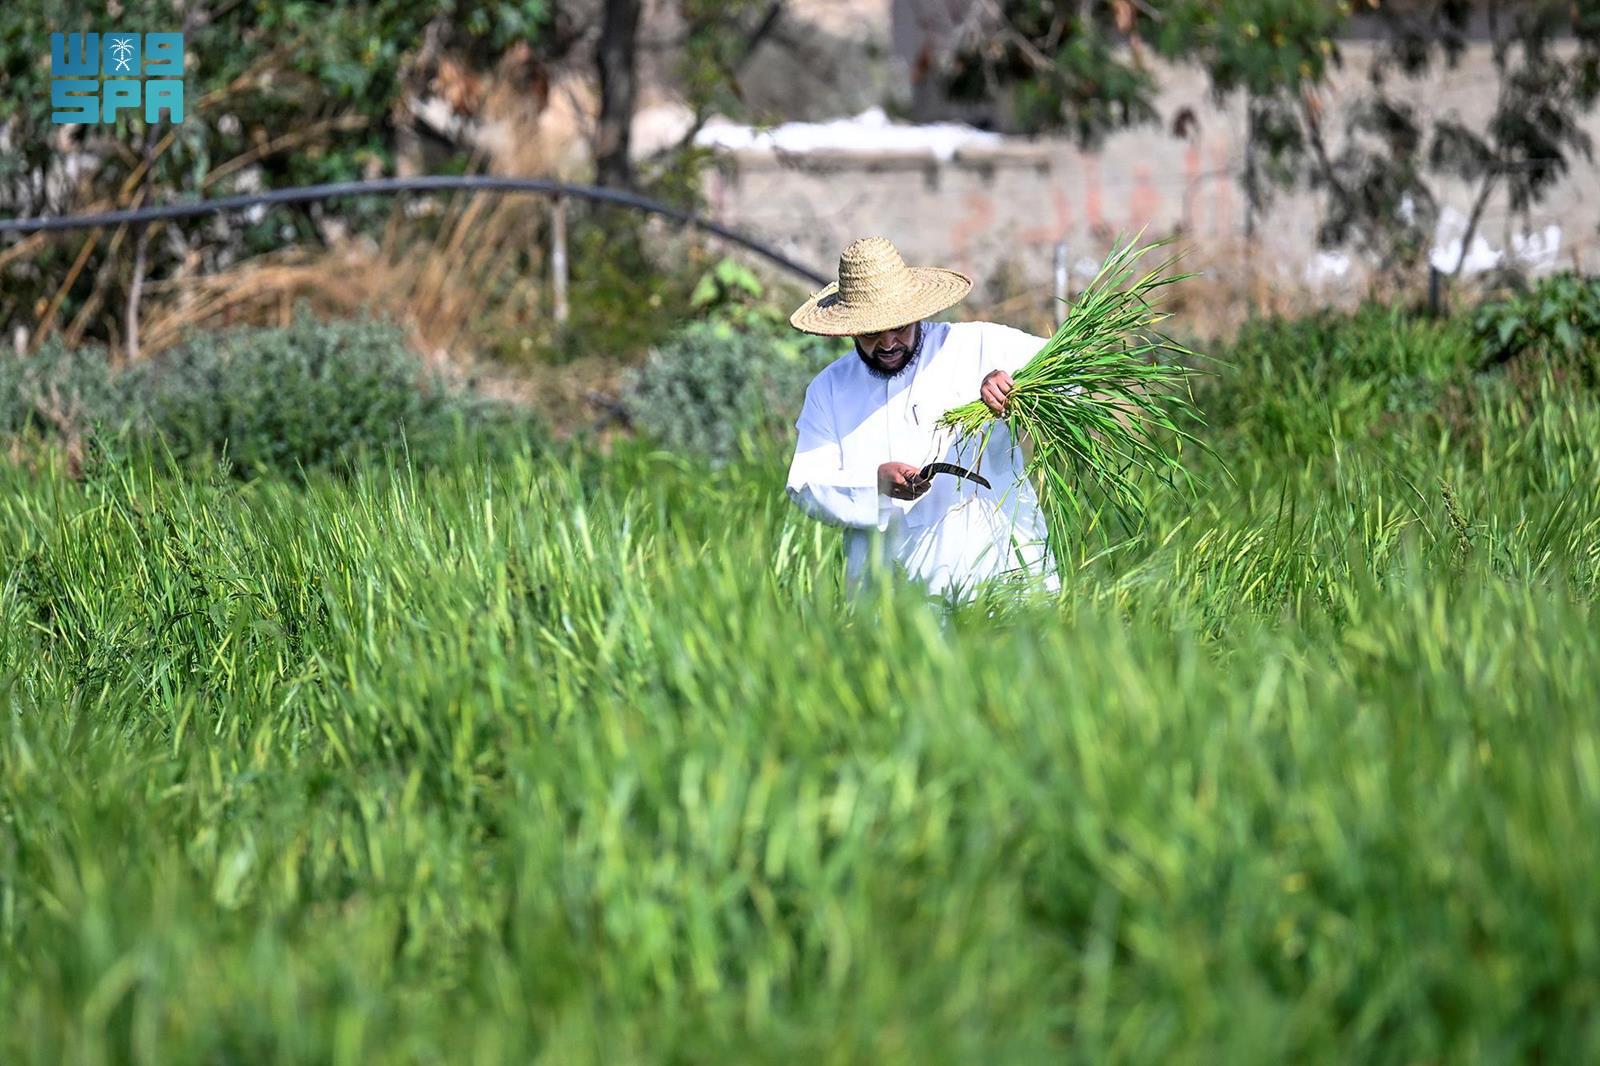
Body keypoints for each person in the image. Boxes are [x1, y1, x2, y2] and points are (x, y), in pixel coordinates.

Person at [785, 236, 1057, 601]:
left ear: (917, 312)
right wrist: (875, 484)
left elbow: (1067, 380)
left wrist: (1018, 388)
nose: (887, 343)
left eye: (899, 326)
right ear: (848, 328)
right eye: (871, 333)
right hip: (889, 598)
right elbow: (806, 487)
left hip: (1000, 579)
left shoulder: (978, 346)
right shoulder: (829, 389)